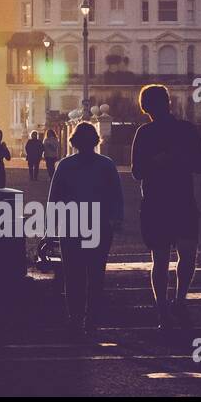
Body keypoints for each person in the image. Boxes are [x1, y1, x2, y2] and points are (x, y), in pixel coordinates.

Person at [131, 83, 201, 332]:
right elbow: (137, 170)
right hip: (175, 201)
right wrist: (160, 160)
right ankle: (172, 304)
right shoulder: (183, 130)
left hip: (159, 202)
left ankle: (169, 306)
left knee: (165, 258)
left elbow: (137, 172)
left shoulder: (146, 133)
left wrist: (172, 160)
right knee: (180, 255)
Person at [48, 122, 122, 338]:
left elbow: (55, 198)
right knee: (96, 275)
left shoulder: (64, 165)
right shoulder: (106, 165)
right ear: (95, 141)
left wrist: (50, 228)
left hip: (71, 226)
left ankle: (75, 318)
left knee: (73, 275)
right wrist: (115, 219)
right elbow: (116, 195)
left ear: (74, 142)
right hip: (98, 226)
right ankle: (91, 319)